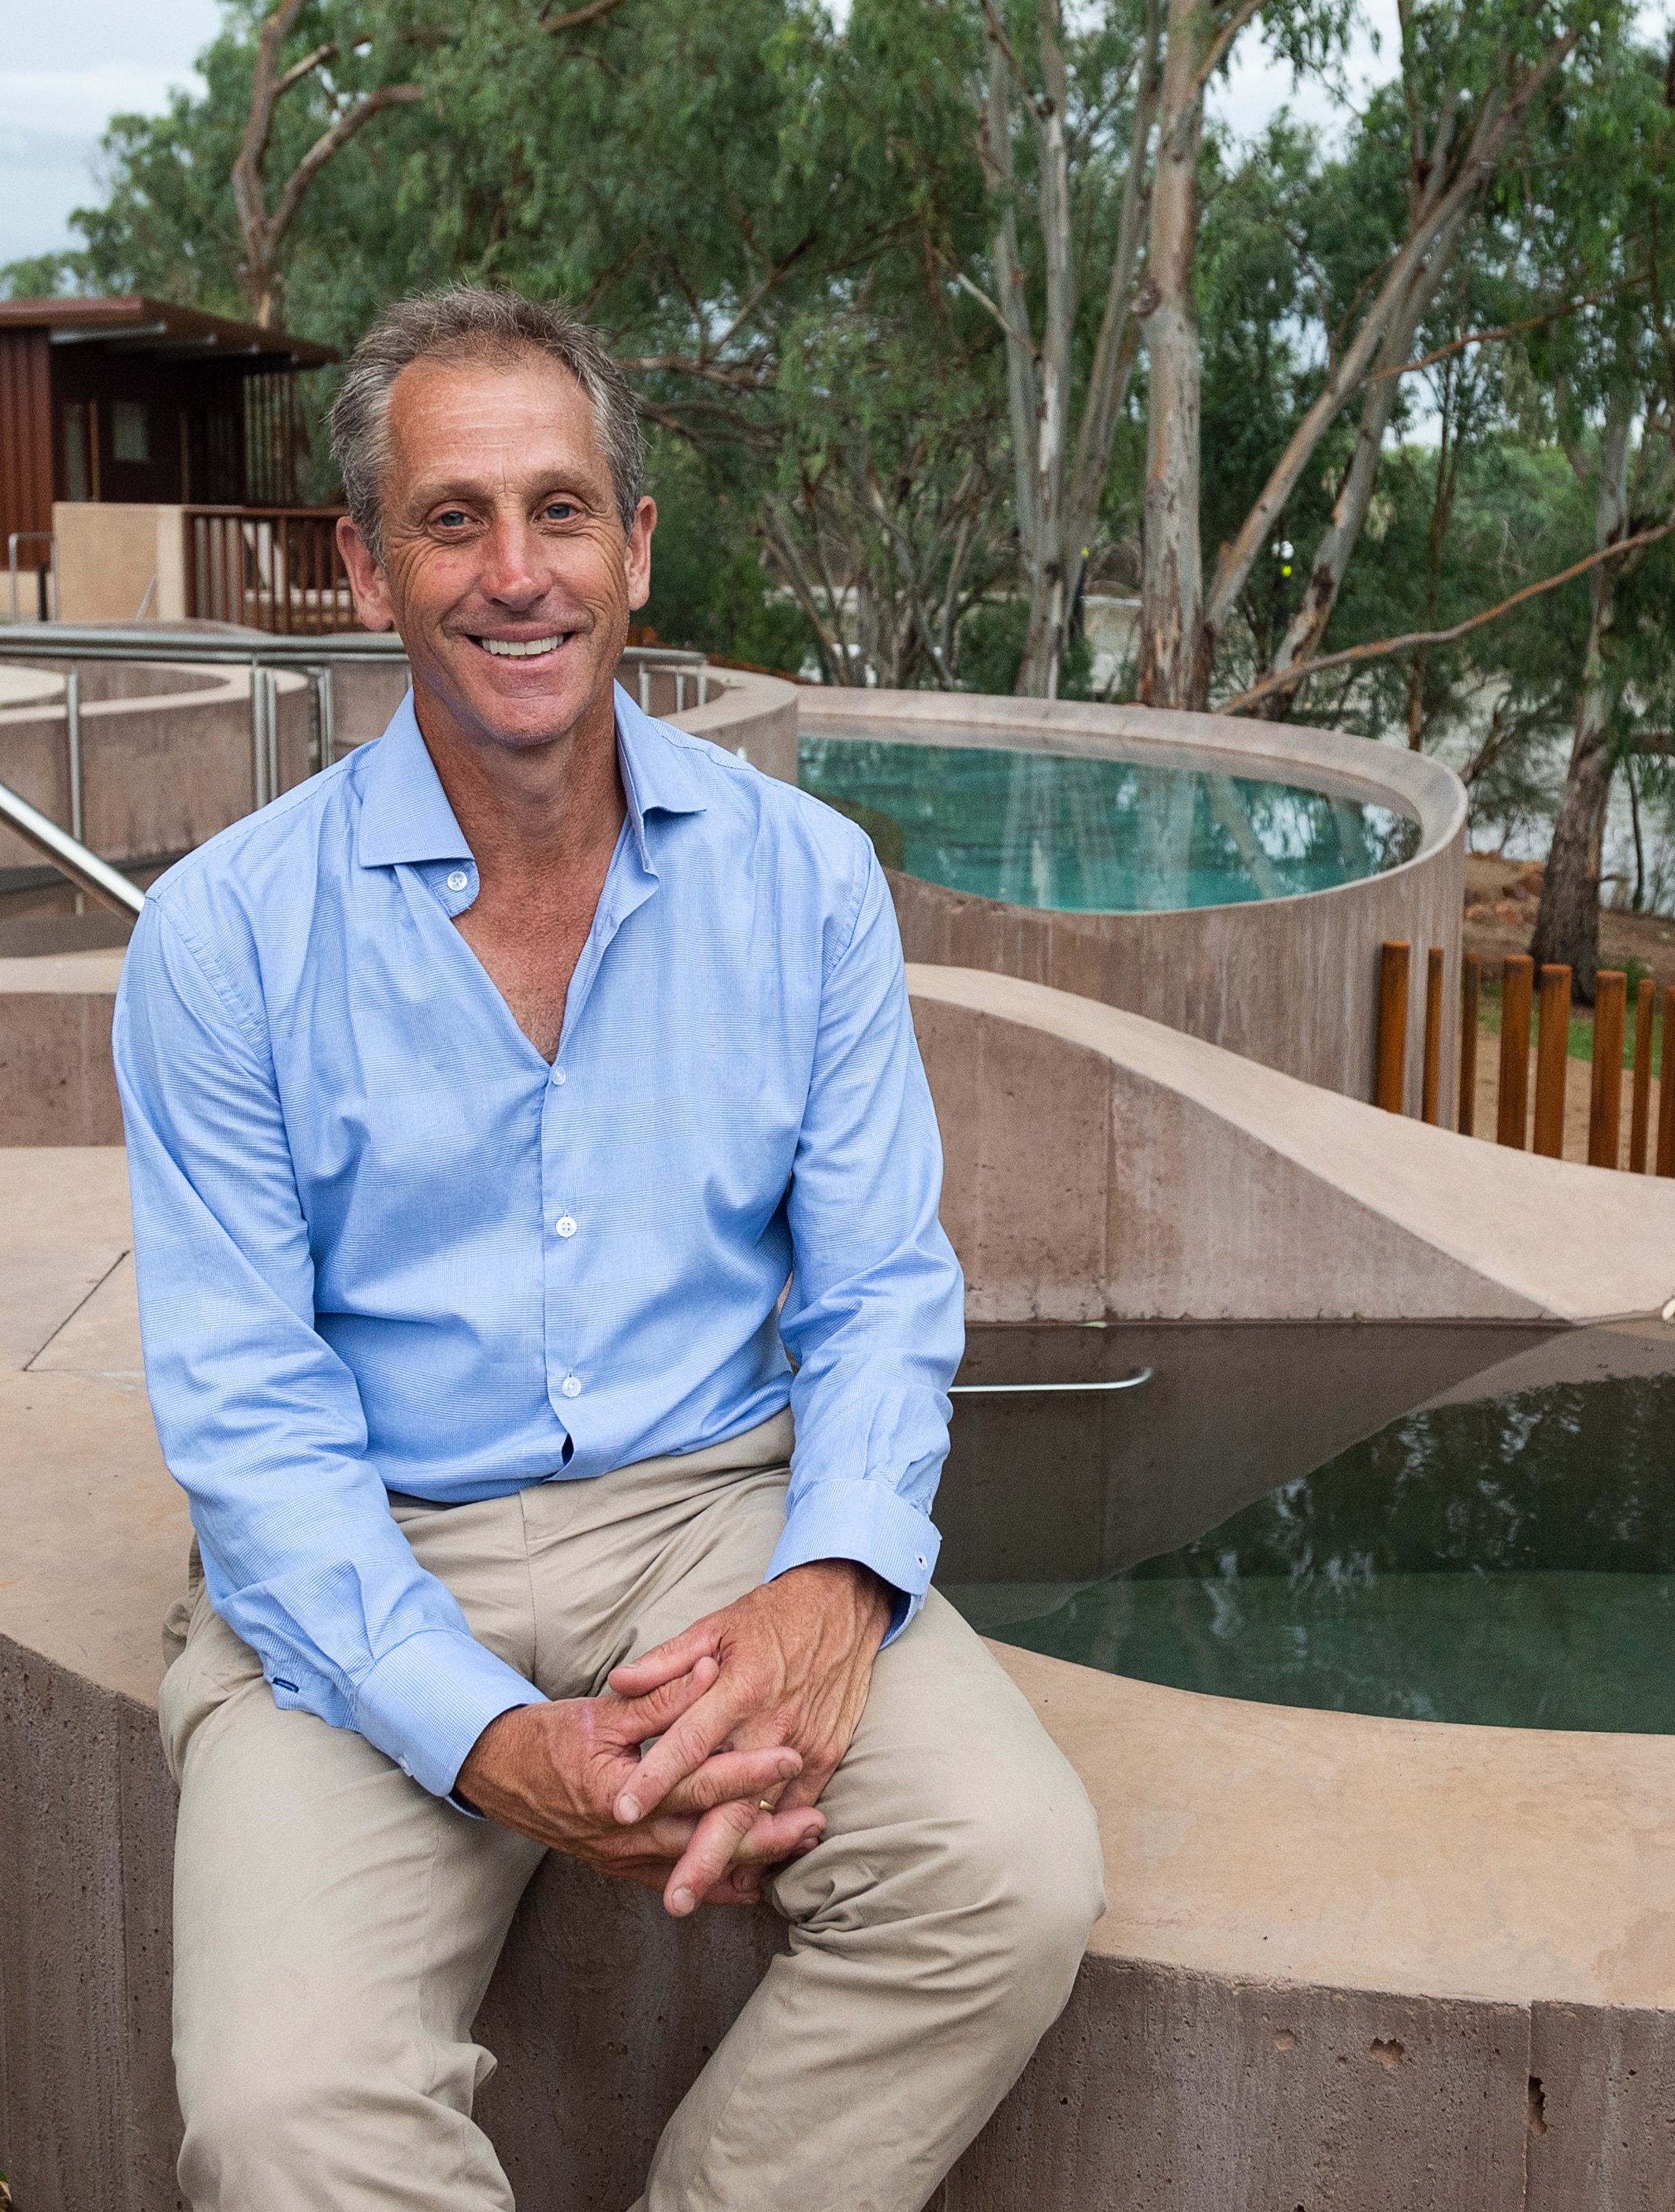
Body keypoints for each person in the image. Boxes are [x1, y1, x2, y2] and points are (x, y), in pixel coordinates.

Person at [113, 287, 1102, 2212]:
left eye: (559, 509)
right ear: (363, 562)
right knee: (280, 2114)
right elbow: (249, 1420)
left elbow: (882, 1285)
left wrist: (834, 1575)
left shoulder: (801, 878)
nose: (515, 573)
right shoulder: (223, 940)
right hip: (371, 1544)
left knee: (1006, 1872)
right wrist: (484, 1734)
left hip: (715, 1512)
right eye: (453, 517)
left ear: (634, 546)